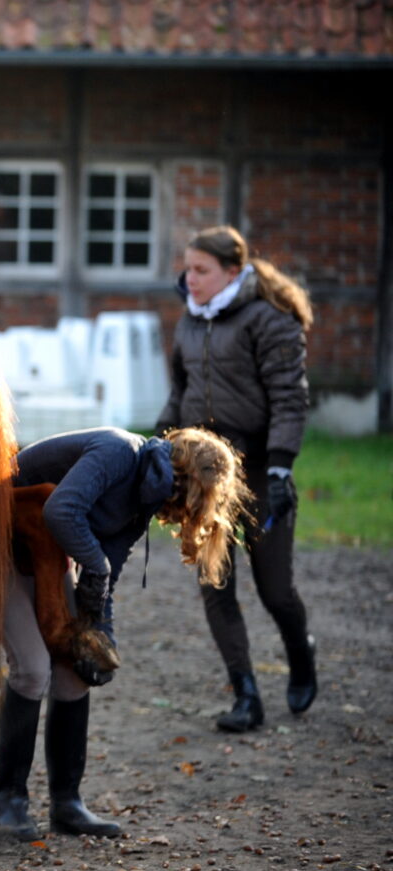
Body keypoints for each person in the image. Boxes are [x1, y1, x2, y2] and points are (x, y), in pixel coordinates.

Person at [0, 426, 248, 841]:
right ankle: (10, 801)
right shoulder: (118, 452)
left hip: (46, 554)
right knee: (34, 668)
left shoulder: (144, 498)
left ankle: (67, 803)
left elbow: (106, 573)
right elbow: (62, 510)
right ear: (193, 488)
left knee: (76, 672)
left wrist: (103, 637)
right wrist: (96, 565)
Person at [155, 225, 316, 733]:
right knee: (215, 584)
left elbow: (290, 398)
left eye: (202, 270)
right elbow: (180, 392)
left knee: (275, 590)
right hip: (205, 475)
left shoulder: (270, 319)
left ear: (232, 271)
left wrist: (282, 465)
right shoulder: (190, 320)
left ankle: (300, 650)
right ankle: (246, 692)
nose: (191, 279)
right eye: (188, 269)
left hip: (260, 469)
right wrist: (159, 449)